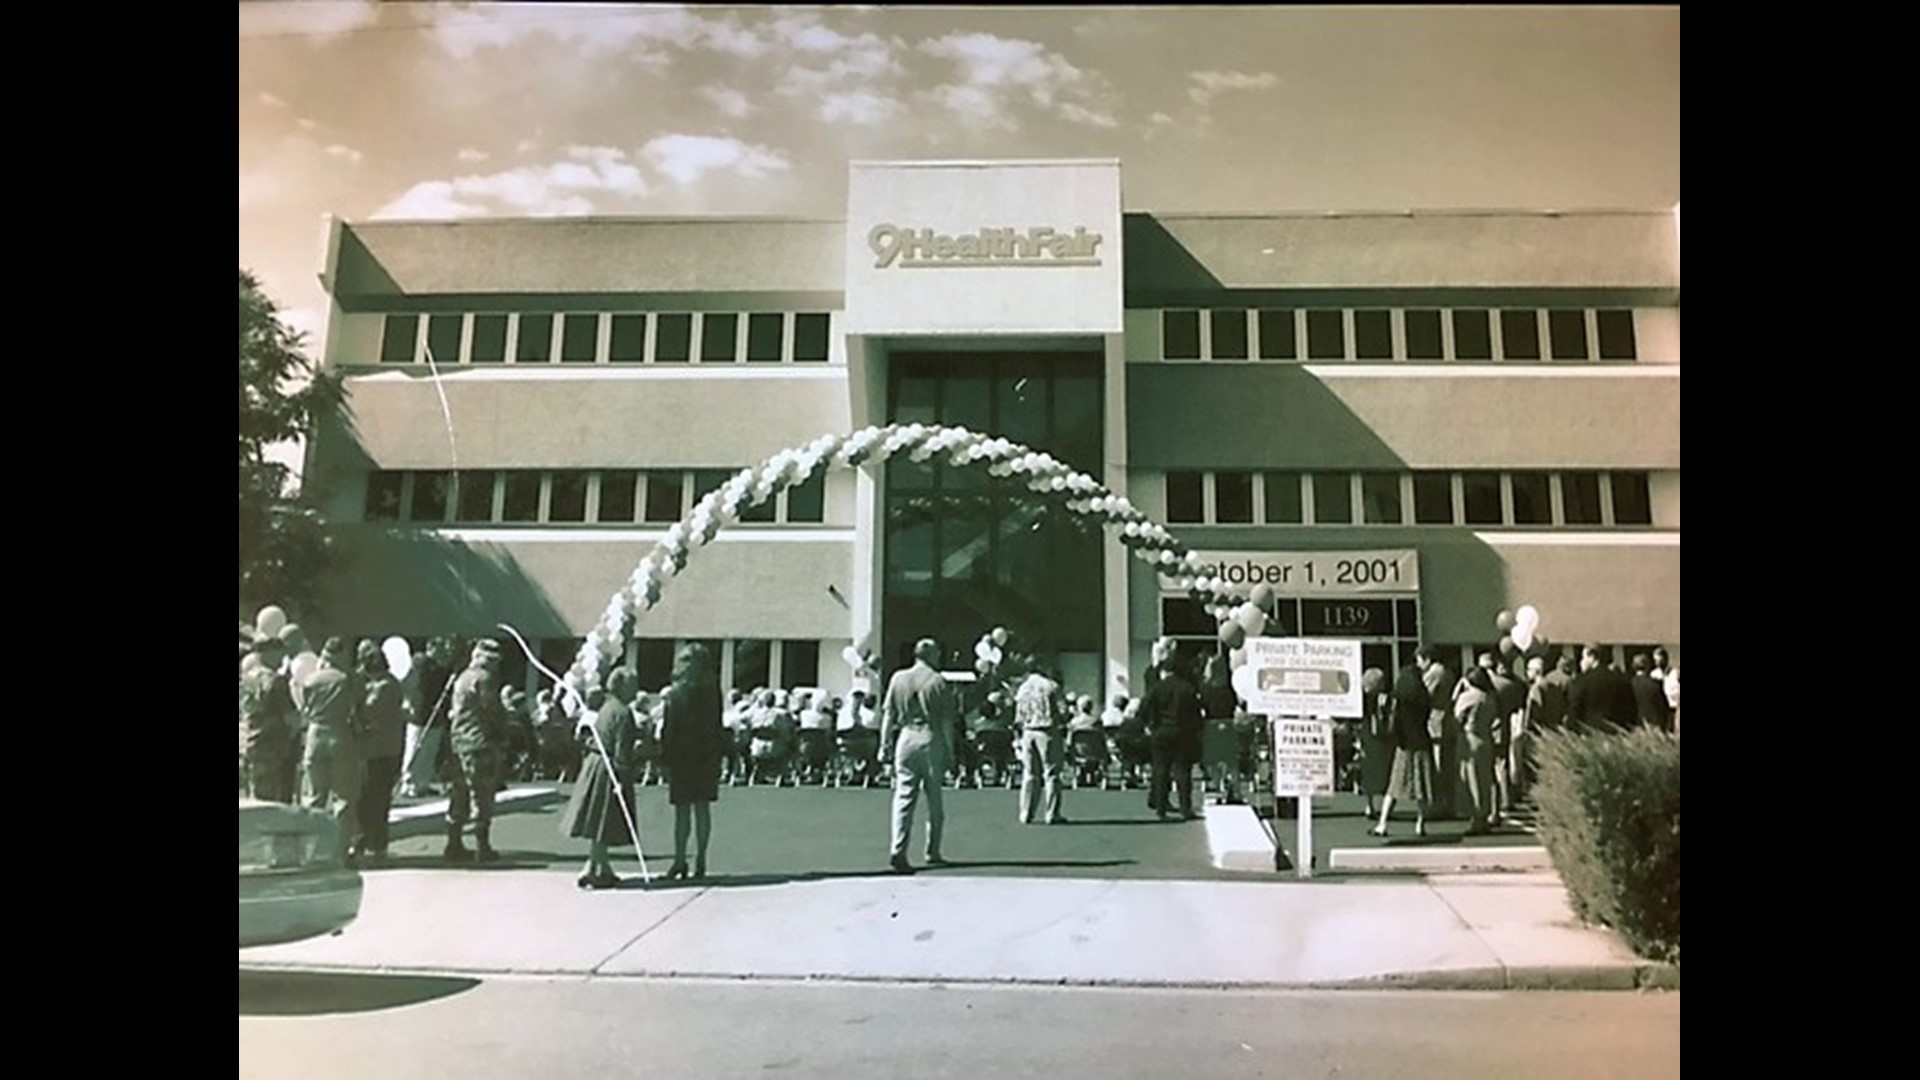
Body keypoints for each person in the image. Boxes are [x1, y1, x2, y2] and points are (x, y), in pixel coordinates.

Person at [561, 666, 643, 889]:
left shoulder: (608, 707)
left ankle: (602, 867)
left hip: (596, 764)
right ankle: (591, 868)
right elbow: (622, 750)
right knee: (603, 821)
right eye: (632, 685)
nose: (636, 690)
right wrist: (626, 771)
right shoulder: (623, 713)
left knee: (600, 821)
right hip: (608, 768)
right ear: (622, 686)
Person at [881, 638, 957, 873]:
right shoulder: (938, 681)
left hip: (905, 738)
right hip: (930, 736)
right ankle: (932, 850)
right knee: (934, 799)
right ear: (932, 655)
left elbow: (888, 715)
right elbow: (946, 722)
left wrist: (884, 744)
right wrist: (951, 752)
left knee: (903, 797)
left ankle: (898, 848)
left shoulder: (898, 678)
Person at [660, 642, 725, 881]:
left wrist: (665, 759)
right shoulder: (713, 693)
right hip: (706, 755)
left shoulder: (674, 694)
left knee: (682, 812)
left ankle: (679, 859)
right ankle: (701, 858)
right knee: (703, 808)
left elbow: (668, 730)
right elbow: (717, 726)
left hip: (682, 757)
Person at [298, 637, 363, 862]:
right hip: (339, 734)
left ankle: (310, 850)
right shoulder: (345, 679)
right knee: (343, 798)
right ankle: (340, 851)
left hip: (315, 736)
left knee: (314, 797)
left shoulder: (309, 680)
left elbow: (305, 709)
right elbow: (356, 708)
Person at [444, 639, 508, 864]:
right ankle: (483, 846)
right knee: (482, 794)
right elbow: (491, 711)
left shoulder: (462, 678)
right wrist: (501, 735)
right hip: (480, 742)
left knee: (459, 793)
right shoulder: (485, 680)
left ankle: (453, 843)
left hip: (458, 741)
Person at [353, 640, 407, 865]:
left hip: (380, 752)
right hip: (377, 750)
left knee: (374, 800)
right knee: (367, 799)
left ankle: (376, 846)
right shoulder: (383, 684)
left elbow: (369, 710)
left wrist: (356, 693)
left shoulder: (385, 686)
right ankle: (369, 843)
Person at [1373, 656, 1435, 837]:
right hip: (1422, 742)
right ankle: (1420, 824)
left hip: (1404, 745)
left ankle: (1383, 823)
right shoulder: (1423, 695)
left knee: (1394, 787)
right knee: (1422, 787)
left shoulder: (1398, 697)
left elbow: (1392, 723)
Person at [1141, 650, 1202, 821]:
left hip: (1160, 732)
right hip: (1182, 732)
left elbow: (1143, 709)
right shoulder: (1187, 689)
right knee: (1182, 771)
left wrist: (1149, 725)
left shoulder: (1156, 688)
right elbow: (1196, 714)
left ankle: (1161, 808)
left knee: (1160, 770)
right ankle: (1185, 808)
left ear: (1165, 671)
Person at [239, 633, 297, 803]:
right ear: (269, 653)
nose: (282, 657)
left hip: (251, 744)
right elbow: (291, 719)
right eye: (279, 652)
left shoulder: (247, 679)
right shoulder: (276, 681)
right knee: (272, 803)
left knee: (254, 800)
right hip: (273, 747)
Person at [1013, 657, 1068, 825]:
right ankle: (1052, 813)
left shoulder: (1022, 689)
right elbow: (1062, 711)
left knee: (1030, 774)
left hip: (1028, 732)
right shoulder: (1051, 686)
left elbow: (1018, 716)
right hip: (1047, 731)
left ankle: (1026, 813)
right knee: (1051, 774)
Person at [402, 636, 458, 799]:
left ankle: (423, 783)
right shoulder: (421, 662)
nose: (441, 652)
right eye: (439, 648)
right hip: (420, 715)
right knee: (415, 750)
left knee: (429, 751)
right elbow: (426, 677)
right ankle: (409, 783)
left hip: (435, 716)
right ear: (431, 648)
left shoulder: (438, 667)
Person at [1454, 667, 1500, 835]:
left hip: (1469, 738)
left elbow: (1457, 717)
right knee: (1484, 780)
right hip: (1485, 738)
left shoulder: (1467, 697)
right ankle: (1485, 816)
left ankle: (1476, 818)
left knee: (1471, 779)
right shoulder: (1489, 697)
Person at [1418, 646, 1460, 820]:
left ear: (1427, 658)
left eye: (1419, 660)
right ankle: (1449, 804)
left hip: (1436, 720)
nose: (1419, 665)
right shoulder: (1448, 672)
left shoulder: (1434, 673)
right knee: (1447, 764)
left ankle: (1438, 805)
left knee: (1438, 764)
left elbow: (1424, 694)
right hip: (1447, 720)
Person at [1567, 644, 1636, 732]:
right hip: (1616, 734)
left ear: (1592, 657)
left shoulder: (1582, 681)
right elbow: (1630, 709)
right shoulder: (1620, 680)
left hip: (1590, 734)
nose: (1581, 661)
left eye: (1583, 657)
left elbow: (1574, 712)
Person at [1356, 667, 1393, 820]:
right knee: (1385, 771)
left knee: (1367, 770)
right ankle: (1384, 805)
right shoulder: (1384, 697)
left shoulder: (1360, 699)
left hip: (1367, 735)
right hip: (1382, 737)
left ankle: (1369, 805)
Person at [1630, 653, 1673, 732]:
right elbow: (1663, 707)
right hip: (1655, 725)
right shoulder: (1655, 684)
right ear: (1648, 666)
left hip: (1637, 726)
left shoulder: (1629, 684)